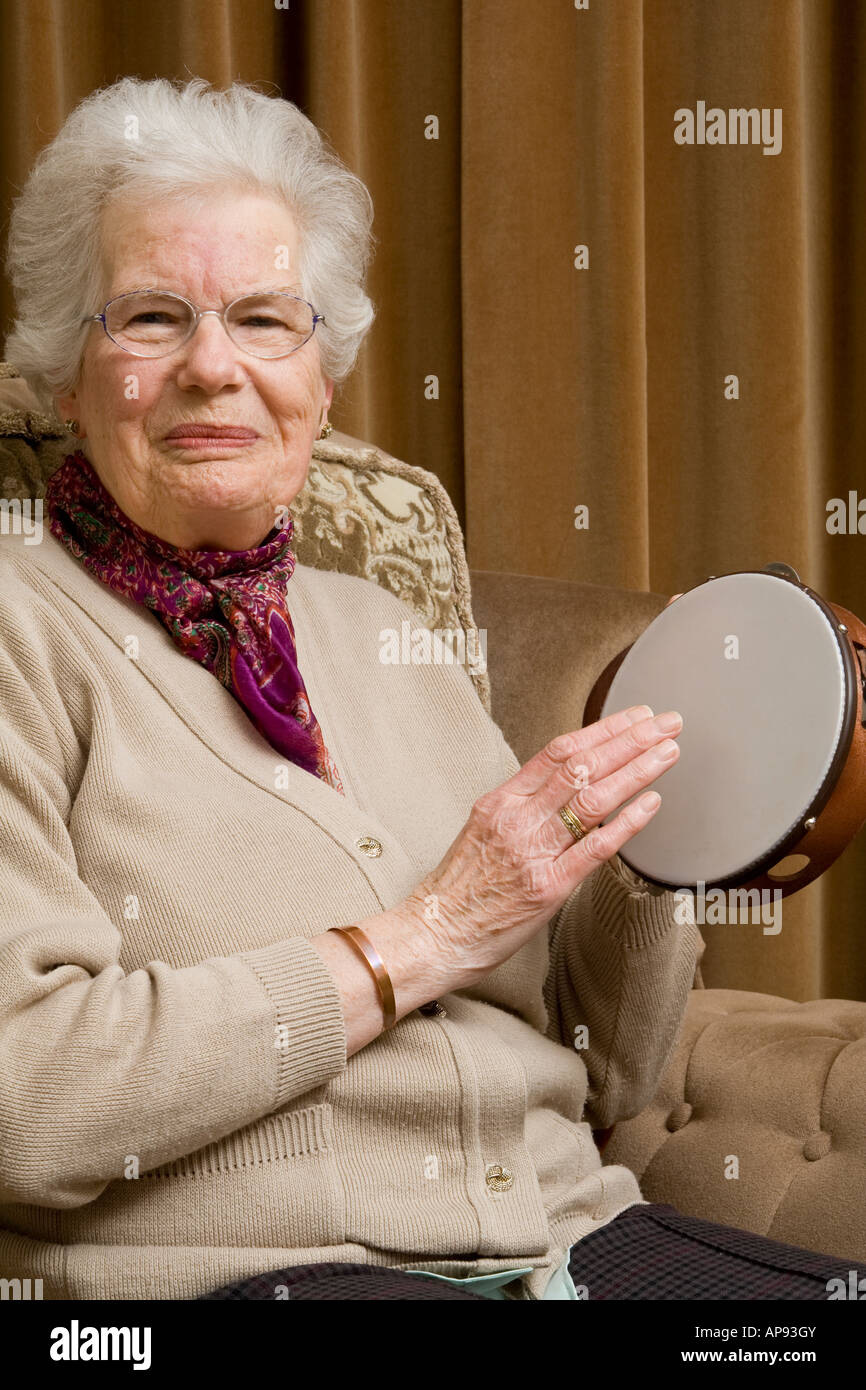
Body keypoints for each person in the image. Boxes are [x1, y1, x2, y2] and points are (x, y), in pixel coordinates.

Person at [0, 76, 859, 1303]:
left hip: (577, 1248)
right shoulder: (20, 632)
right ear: (66, 373)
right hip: (256, 1274)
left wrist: (640, 849)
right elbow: (28, 1101)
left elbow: (604, 1075)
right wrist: (423, 935)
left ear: (323, 377)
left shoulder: (385, 631)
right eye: (149, 317)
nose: (211, 367)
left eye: (262, 318)